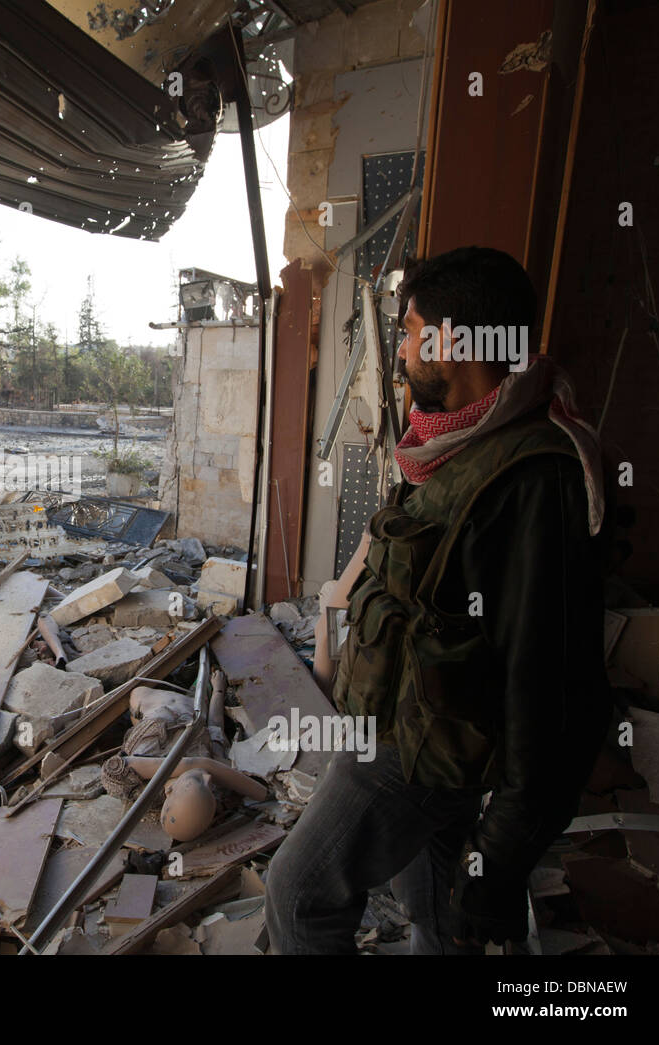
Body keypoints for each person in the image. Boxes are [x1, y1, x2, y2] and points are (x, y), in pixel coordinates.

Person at [264, 246, 611, 954]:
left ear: (456, 343)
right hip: (415, 725)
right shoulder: (458, 446)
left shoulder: (530, 477)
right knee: (432, 909)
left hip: (418, 747)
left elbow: (554, 685)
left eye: (414, 332)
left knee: (298, 894)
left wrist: (505, 849)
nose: (402, 356)